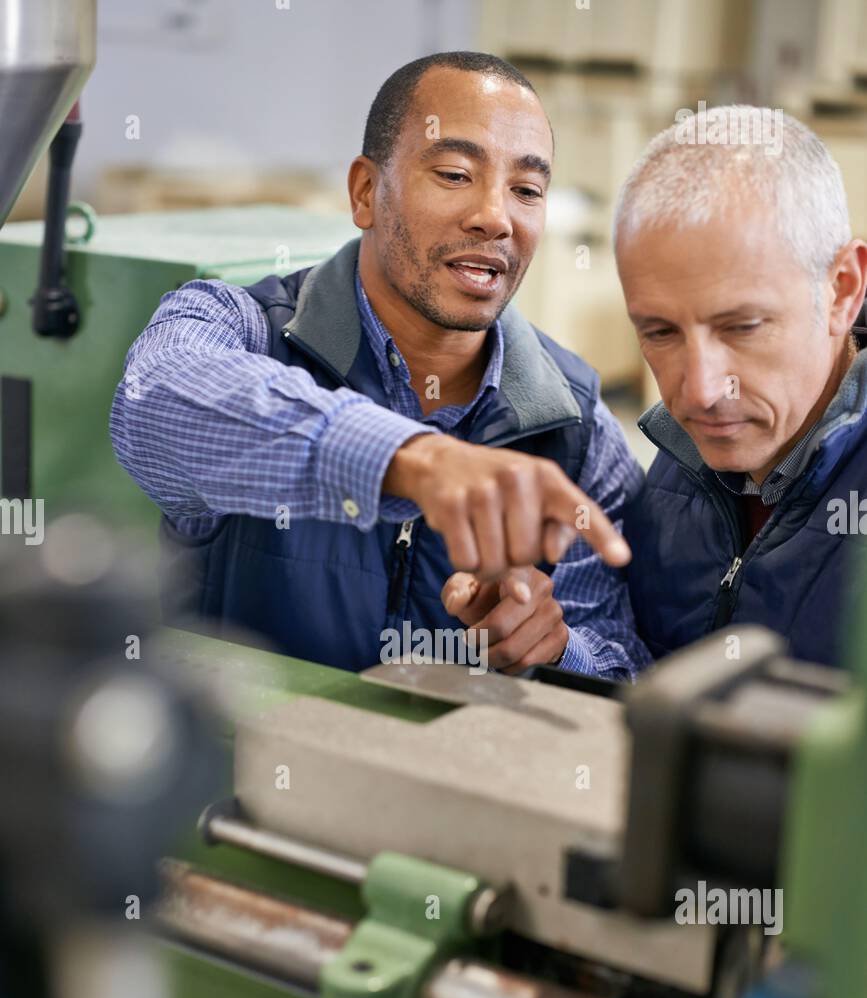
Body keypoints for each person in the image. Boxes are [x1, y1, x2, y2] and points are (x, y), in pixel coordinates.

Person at [111, 52, 649, 678]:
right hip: (241, 767)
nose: (495, 217)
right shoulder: (242, 328)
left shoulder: (578, 431)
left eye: (526, 190)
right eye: (454, 173)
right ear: (366, 192)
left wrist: (552, 649)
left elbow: (623, 668)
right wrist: (414, 460)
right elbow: (152, 402)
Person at [616, 106, 867, 668]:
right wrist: (564, 649)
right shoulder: (676, 465)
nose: (700, 391)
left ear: (842, 290)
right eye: (660, 332)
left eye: (743, 327)